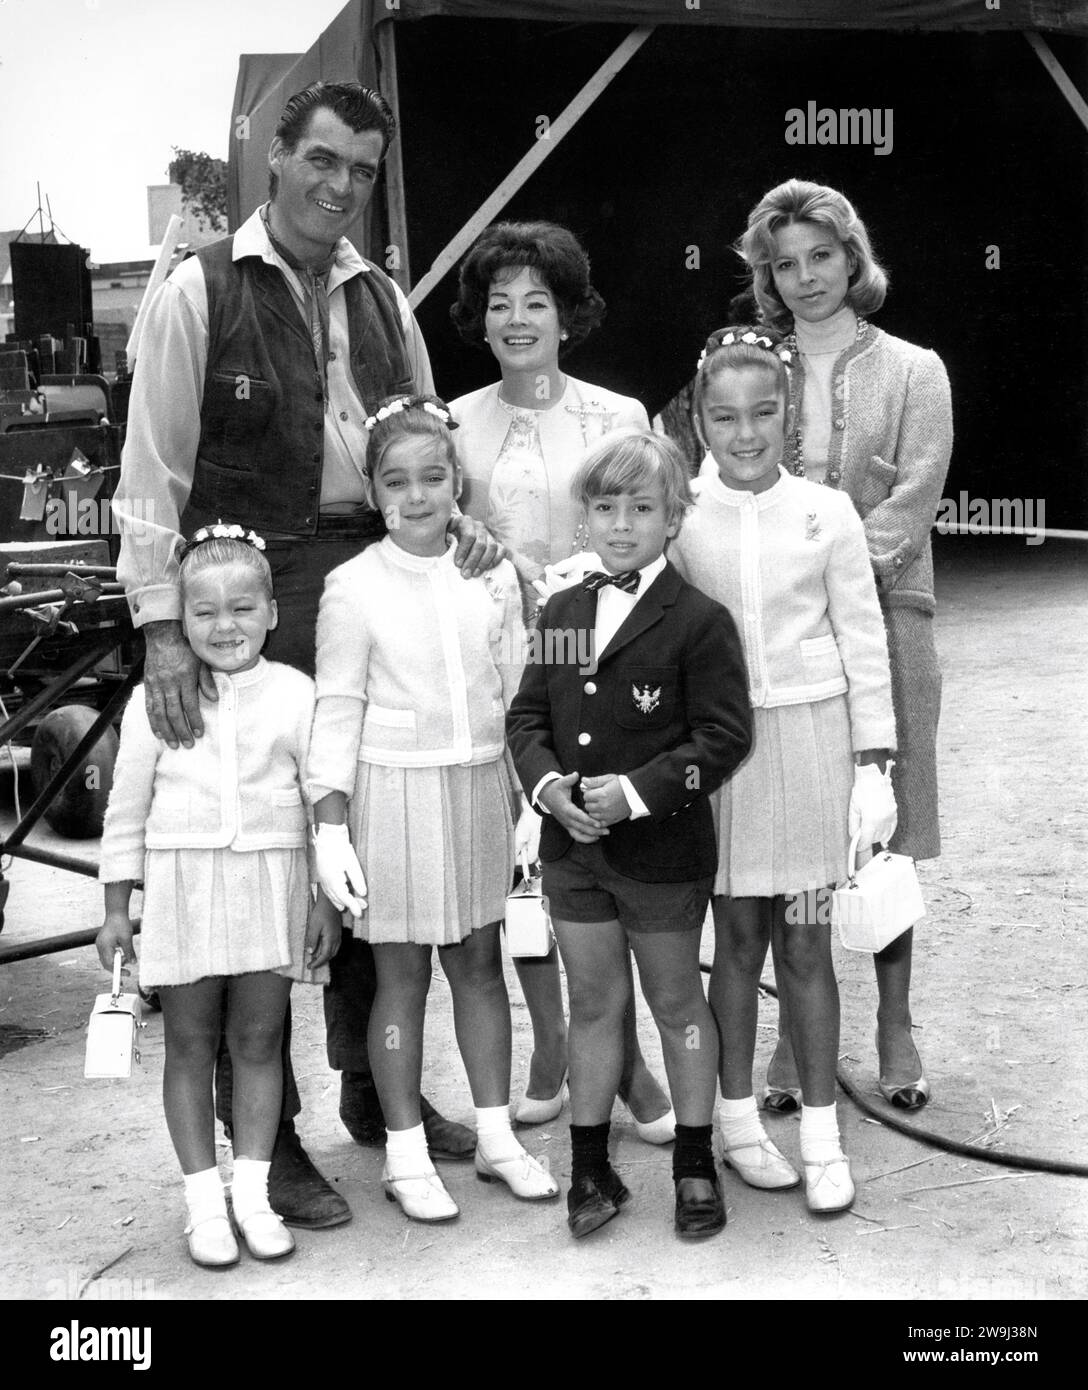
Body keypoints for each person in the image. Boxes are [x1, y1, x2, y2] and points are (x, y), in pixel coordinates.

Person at [111, 81, 498, 1227]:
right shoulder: (198, 289)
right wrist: (161, 630)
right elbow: (151, 473)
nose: (339, 187)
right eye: (320, 161)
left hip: (370, 576)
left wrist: (453, 528)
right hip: (250, 589)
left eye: (361, 170)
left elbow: (427, 441)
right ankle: (265, 1144)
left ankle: (378, 1100)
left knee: (360, 841)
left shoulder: (383, 296)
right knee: (272, 864)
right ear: (272, 160)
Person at [306, 396, 558, 1222]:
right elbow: (337, 709)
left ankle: (496, 1137)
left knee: (481, 967)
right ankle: (405, 1151)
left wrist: (532, 791)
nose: (417, 496)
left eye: (433, 477)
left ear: (459, 481)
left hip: (481, 782)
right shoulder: (352, 586)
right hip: (396, 793)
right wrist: (330, 823)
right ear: (375, 491)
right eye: (396, 481)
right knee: (401, 977)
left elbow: (520, 688)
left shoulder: (489, 571)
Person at [449, 221, 673, 1140]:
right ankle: (555, 1043)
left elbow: (653, 541)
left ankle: (632, 1063)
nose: (516, 319)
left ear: (569, 315)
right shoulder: (454, 419)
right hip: (493, 663)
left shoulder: (619, 416)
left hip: (599, 658)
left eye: (536, 300)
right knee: (526, 863)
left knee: (604, 849)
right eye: (498, 302)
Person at [670, 327, 898, 1213]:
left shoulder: (827, 511)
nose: (746, 432)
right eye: (724, 416)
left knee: (805, 938)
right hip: (721, 763)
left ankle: (821, 1132)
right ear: (699, 421)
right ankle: (734, 1123)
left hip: (808, 753)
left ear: (789, 415)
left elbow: (861, 636)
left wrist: (871, 760)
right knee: (733, 942)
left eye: (764, 412)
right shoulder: (680, 514)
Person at [737, 179, 953, 1111]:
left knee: (885, 823)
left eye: (821, 255)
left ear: (853, 258)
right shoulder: (751, 370)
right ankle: (798, 1032)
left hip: (888, 614)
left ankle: (895, 1025)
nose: (805, 278)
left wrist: (835, 568)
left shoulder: (916, 368)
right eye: (784, 264)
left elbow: (916, 489)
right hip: (781, 630)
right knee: (799, 828)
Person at [507, 429, 752, 1239]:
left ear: (674, 517)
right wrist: (548, 790)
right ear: (584, 517)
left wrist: (638, 795)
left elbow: (723, 738)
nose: (621, 523)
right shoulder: (567, 610)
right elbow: (530, 716)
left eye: (641, 507)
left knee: (678, 999)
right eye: (605, 507)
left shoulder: (698, 620)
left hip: (661, 853)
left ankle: (691, 1162)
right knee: (594, 1004)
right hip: (574, 853)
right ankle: (589, 1167)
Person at [96, 529, 342, 1267]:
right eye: (203, 613)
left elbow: (322, 798)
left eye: (242, 608)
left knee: (262, 1041)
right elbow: (124, 812)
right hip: (183, 889)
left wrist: (327, 899)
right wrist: (115, 909)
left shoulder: (299, 695)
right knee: (190, 1045)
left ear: (272, 612)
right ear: (180, 619)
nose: (224, 626)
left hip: (271, 886)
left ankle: (254, 1196)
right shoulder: (153, 702)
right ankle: (204, 1203)